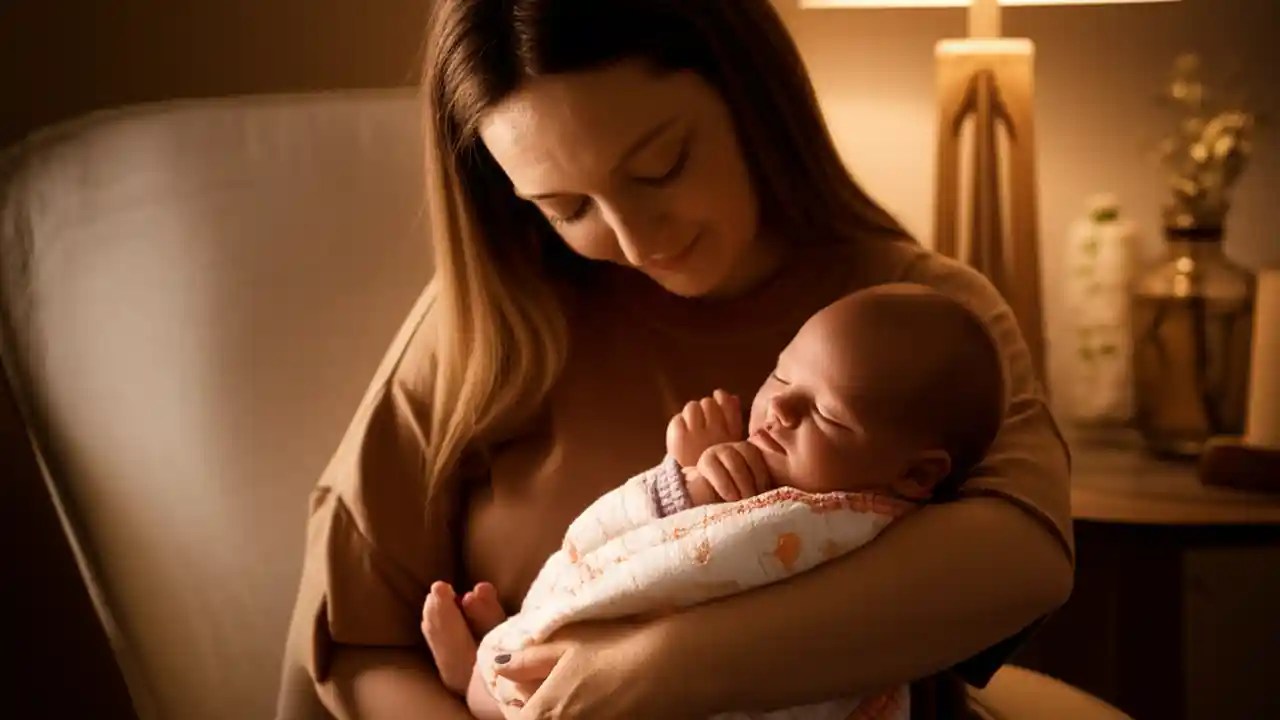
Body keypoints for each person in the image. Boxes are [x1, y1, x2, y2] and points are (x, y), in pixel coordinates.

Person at [275, 1, 1074, 719]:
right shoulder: (492, 320)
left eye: (660, 168)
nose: (636, 240)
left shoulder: (918, 314)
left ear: (749, 96)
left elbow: (1022, 556)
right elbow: (357, 639)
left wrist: (657, 668)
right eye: (568, 209)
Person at [421, 283, 1007, 720]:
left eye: (826, 414)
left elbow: (763, 585)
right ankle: (480, 662)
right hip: (594, 652)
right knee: (517, 680)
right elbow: (637, 551)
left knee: (526, 691)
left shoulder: (870, 532)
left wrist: (700, 491)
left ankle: (483, 664)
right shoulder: (749, 476)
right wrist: (685, 476)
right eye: (780, 378)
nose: (779, 411)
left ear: (915, 474)